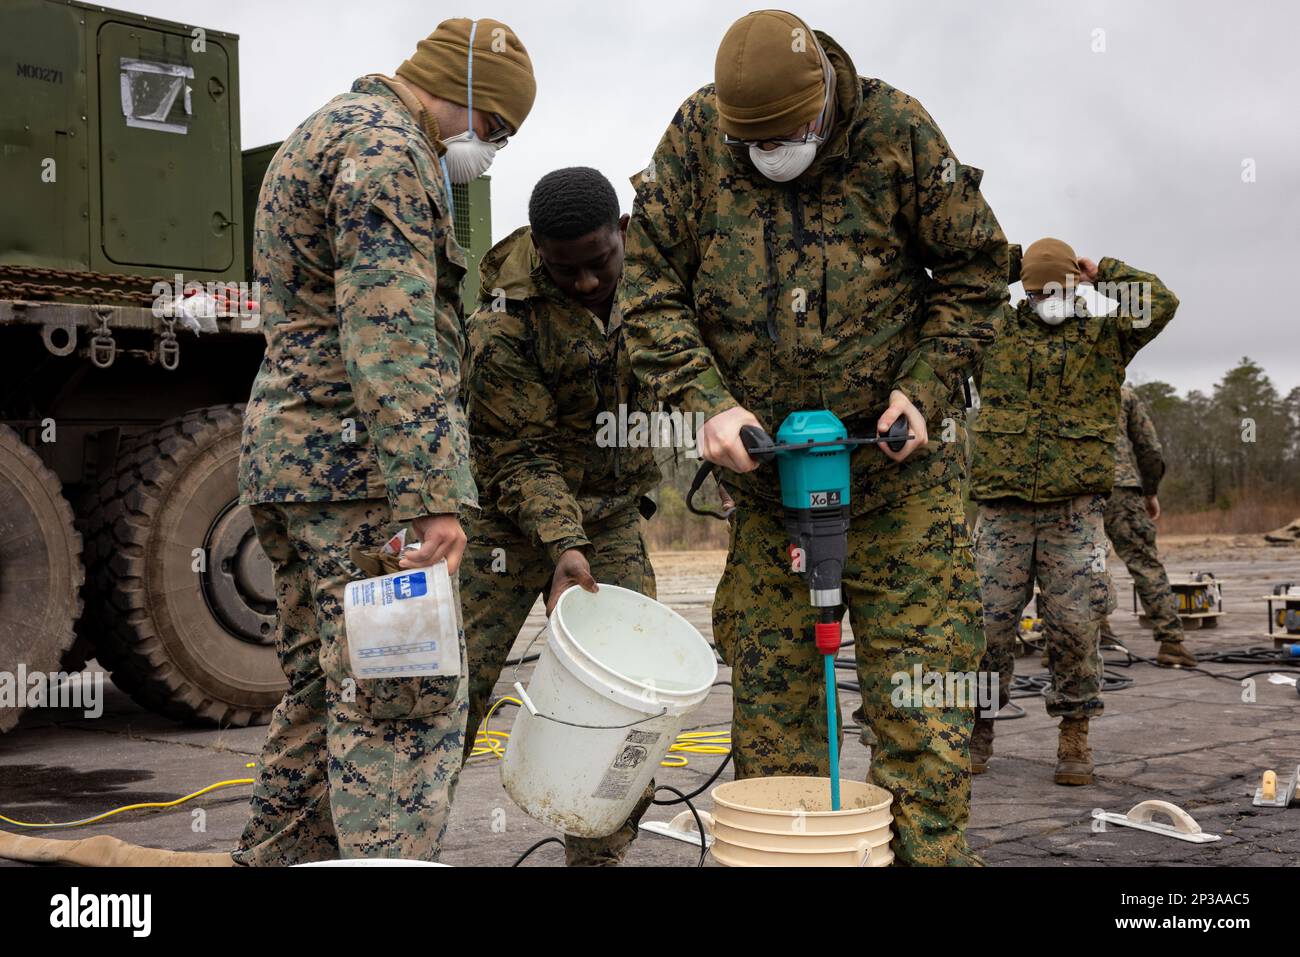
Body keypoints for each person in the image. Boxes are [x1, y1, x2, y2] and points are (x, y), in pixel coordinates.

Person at [619, 9, 1008, 866]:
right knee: (776, 733)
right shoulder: (694, 140)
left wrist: (925, 388)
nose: (771, 156)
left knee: (923, 721)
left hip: (901, 490)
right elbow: (644, 294)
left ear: (824, 102)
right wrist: (708, 402)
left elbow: (979, 275)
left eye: (787, 137)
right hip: (769, 497)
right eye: (751, 145)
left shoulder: (897, 131)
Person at [234, 18, 536, 865]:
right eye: (498, 132)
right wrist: (431, 494)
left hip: (291, 467)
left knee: (322, 691)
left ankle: (279, 858)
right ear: (470, 100)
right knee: (403, 708)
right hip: (361, 479)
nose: (490, 150)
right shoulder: (390, 151)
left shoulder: (321, 131)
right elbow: (390, 335)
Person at [460, 168, 662, 866]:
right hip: (503, 523)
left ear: (624, 235)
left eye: (598, 263)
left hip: (609, 522)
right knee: (443, 693)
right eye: (562, 268)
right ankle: (397, 848)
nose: (583, 284)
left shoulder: (659, 288)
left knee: (626, 703)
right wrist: (562, 545)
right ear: (539, 251)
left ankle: (597, 857)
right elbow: (520, 456)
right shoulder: (502, 325)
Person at [969, 238, 1178, 785]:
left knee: (1076, 627)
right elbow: (953, 294)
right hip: (1002, 512)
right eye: (1038, 291)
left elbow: (1161, 303)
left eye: (1057, 289)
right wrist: (1007, 266)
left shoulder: (1104, 339)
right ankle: (978, 727)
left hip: (1075, 513)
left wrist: (1104, 272)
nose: (1048, 299)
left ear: (1075, 286)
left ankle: (1074, 736)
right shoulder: (996, 332)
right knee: (985, 629)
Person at [1103, 385, 1197, 666]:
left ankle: (1061, 643)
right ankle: (1170, 642)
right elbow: (1149, 448)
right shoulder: (1123, 394)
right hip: (1120, 486)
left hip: (1070, 489)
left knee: (1068, 564)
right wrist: (1150, 491)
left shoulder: (1057, 383)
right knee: (1144, 561)